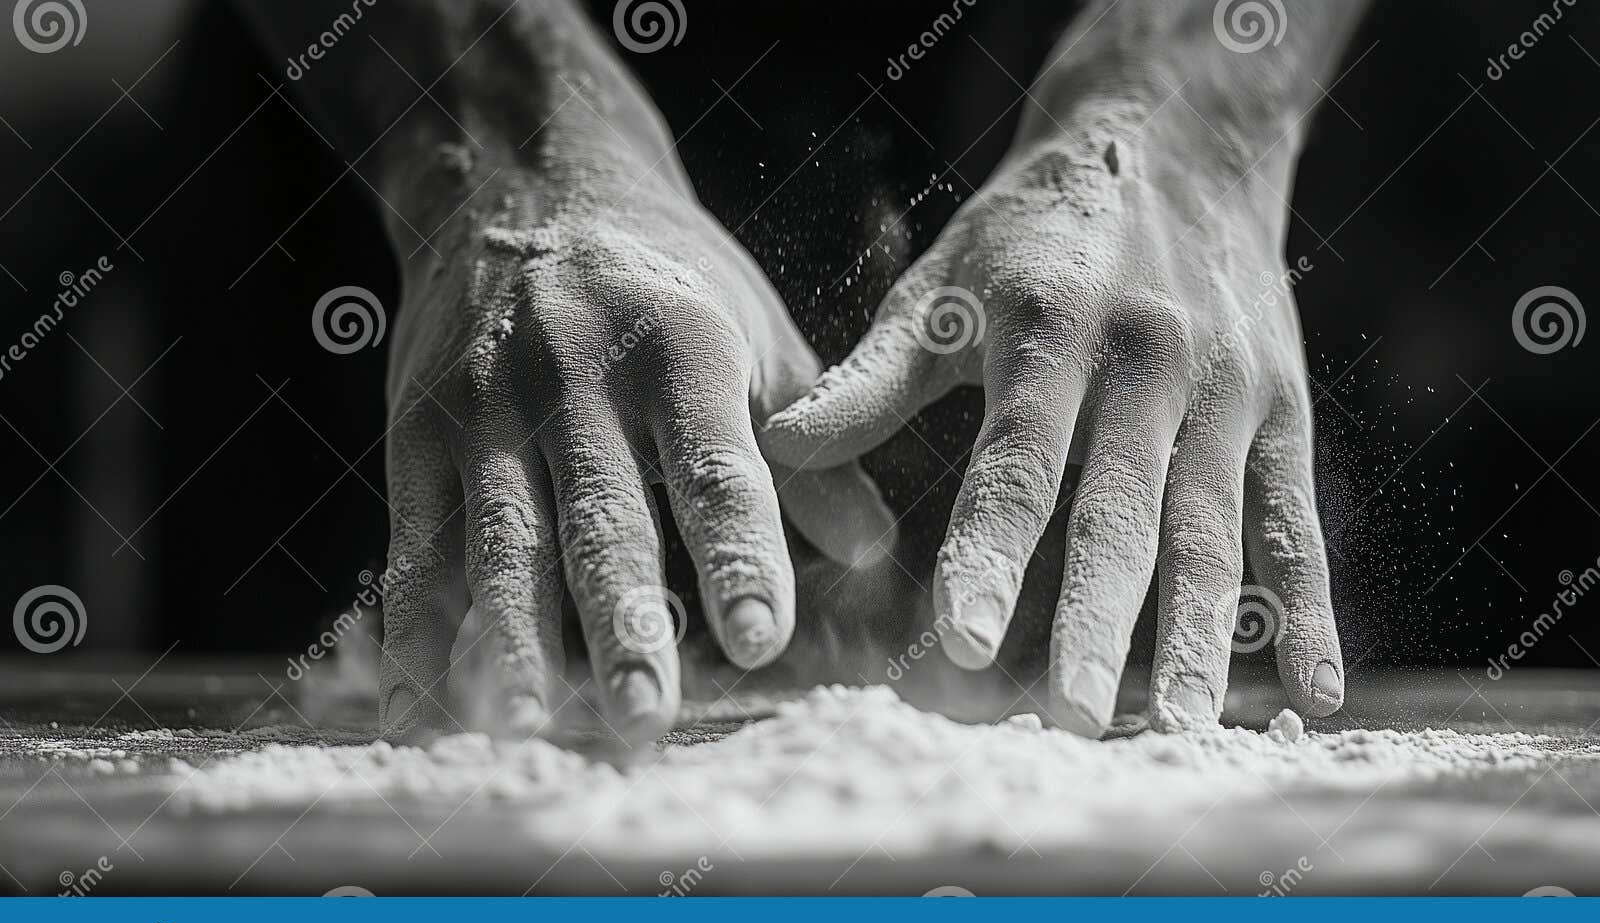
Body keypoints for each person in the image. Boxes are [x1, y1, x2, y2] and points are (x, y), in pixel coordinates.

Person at [239, 0, 1366, 744]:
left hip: (1090, 184)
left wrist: (1184, 114)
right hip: (409, 142)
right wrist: (500, 135)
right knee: (424, 735)